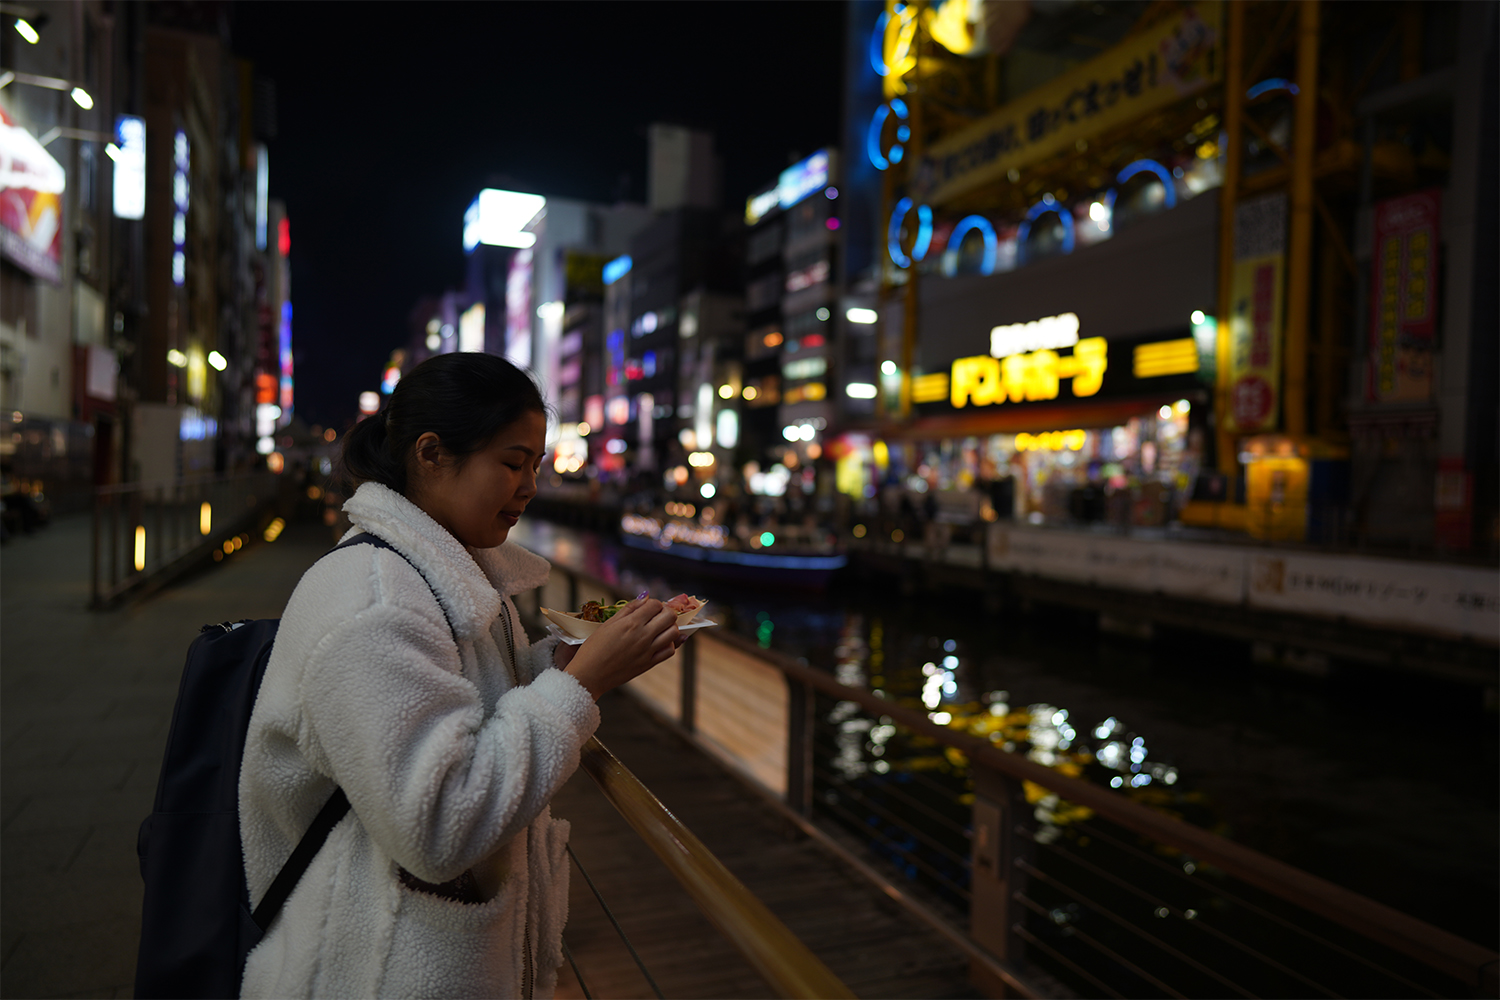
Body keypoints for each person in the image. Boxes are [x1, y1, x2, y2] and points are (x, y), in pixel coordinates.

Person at [238, 353, 681, 998]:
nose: (529, 485)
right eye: (511, 462)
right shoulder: (372, 602)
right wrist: (580, 686)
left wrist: (563, 663)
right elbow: (439, 822)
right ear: (430, 454)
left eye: (536, 464)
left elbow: (473, 699)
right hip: (367, 973)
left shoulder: (444, 574)